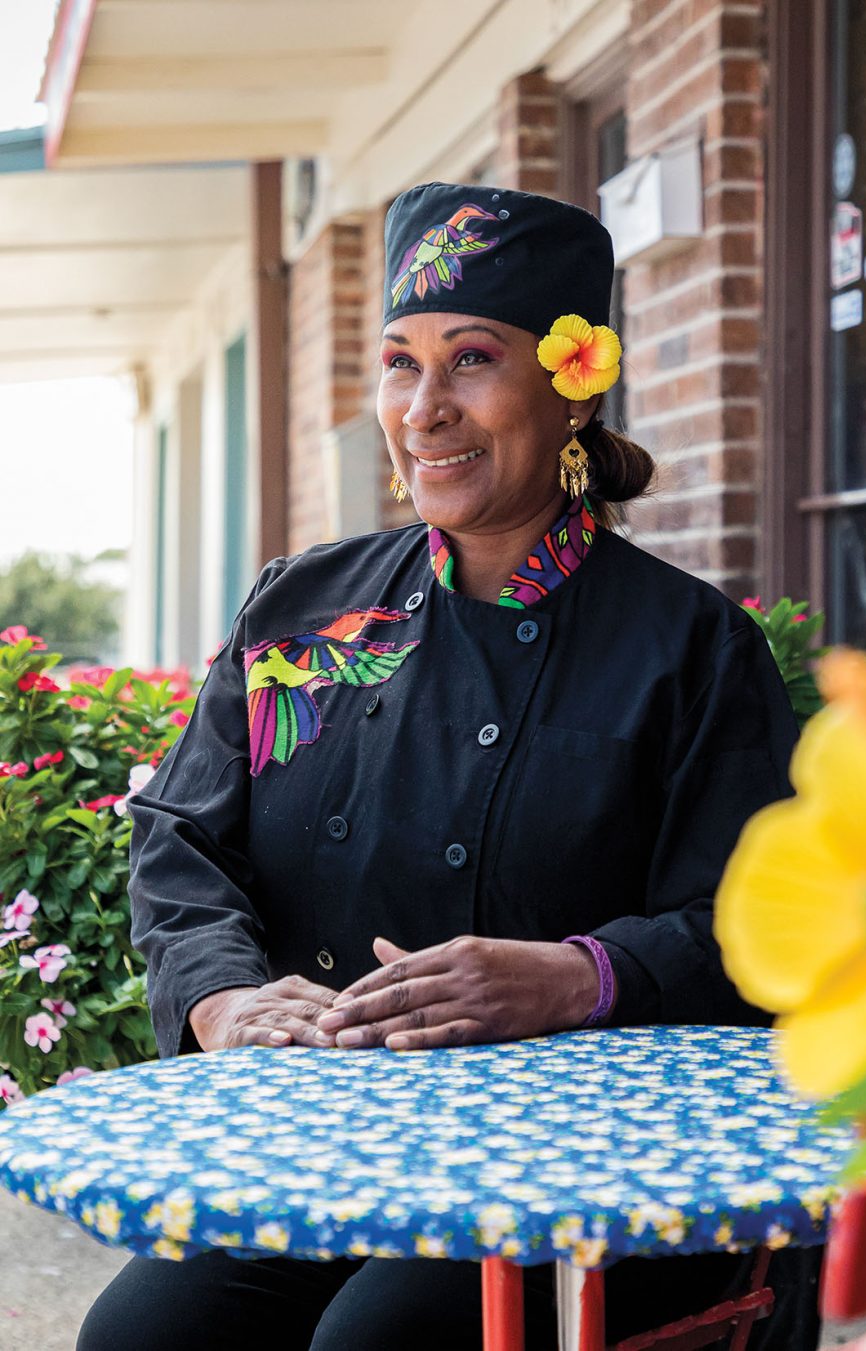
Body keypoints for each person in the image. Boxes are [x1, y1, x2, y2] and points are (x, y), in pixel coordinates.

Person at [79, 182, 808, 1351]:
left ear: (571, 385)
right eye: (399, 364)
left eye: (470, 360)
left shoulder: (687, 646)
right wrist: (223, 998)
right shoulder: (301, 608)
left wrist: (576, 977)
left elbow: (769, 919)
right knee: (139, 1337)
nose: (424, 409)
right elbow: (180, 833)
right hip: (327, 1137)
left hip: (581, 1168)